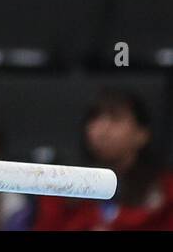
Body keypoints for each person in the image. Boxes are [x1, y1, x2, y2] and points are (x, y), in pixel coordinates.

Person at [34, 89, 173, 230]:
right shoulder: (62, 184)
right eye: (95, 119)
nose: (102, 129)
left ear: (142, 134)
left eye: (115, 118)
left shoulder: (166, 188)